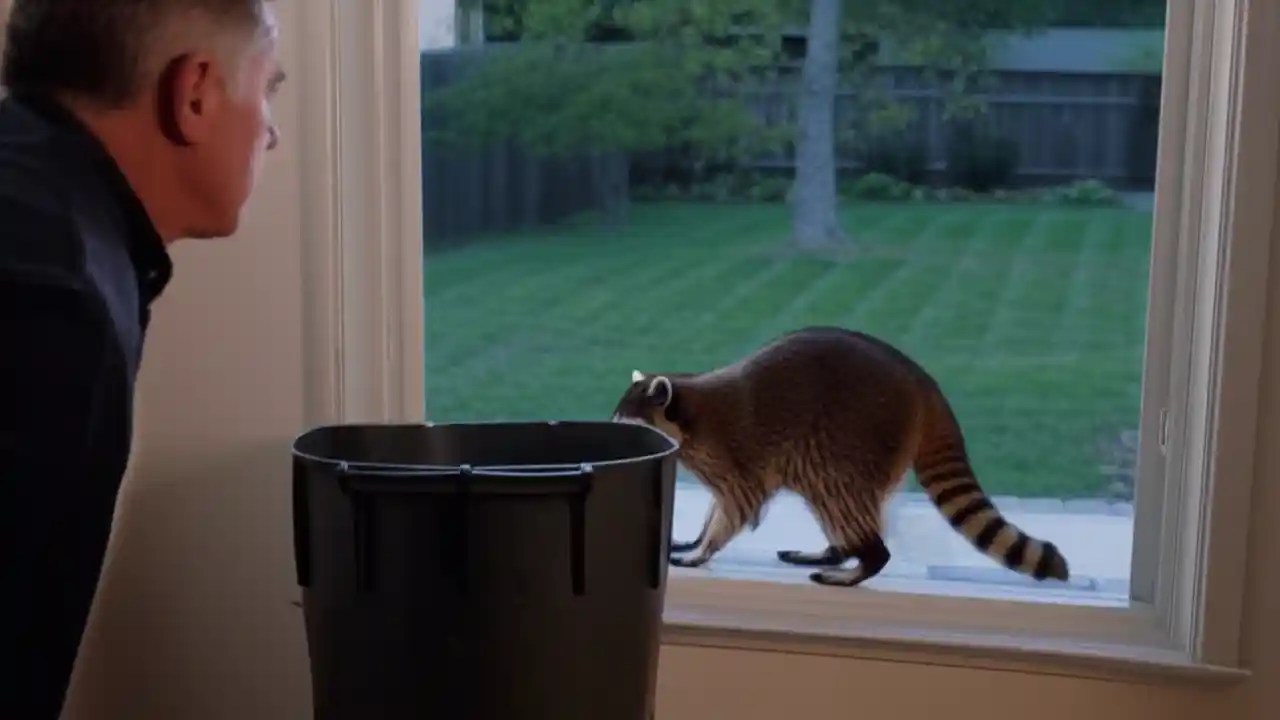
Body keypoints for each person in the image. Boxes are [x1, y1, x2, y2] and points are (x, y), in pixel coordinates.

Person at [0, 1, 285, 716]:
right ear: (194, 93)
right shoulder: (53, 301)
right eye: (267, 91)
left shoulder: (41, 216)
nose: (270, 134)